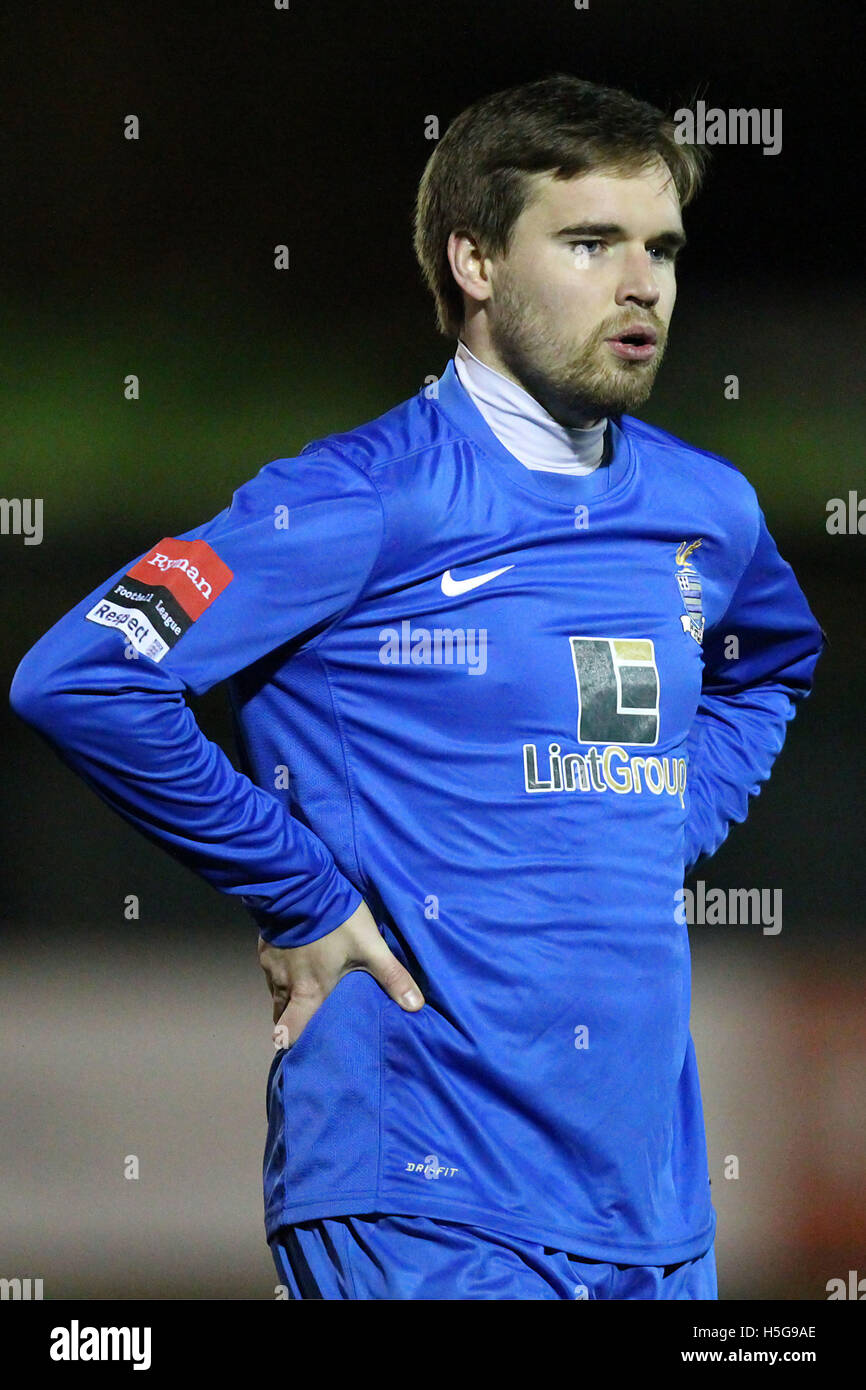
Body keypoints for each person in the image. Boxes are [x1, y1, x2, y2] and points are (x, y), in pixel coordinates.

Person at [9, 72, 825, 1300]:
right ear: (475, 262)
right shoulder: (353, 496)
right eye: (589, 242)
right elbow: (81, 674)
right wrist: (294, 888)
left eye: (659, 246)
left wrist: (665, 813)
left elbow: (770, 663)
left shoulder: (704, 507)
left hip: (653, 1216)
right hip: (419, 1199)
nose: (640, 281)